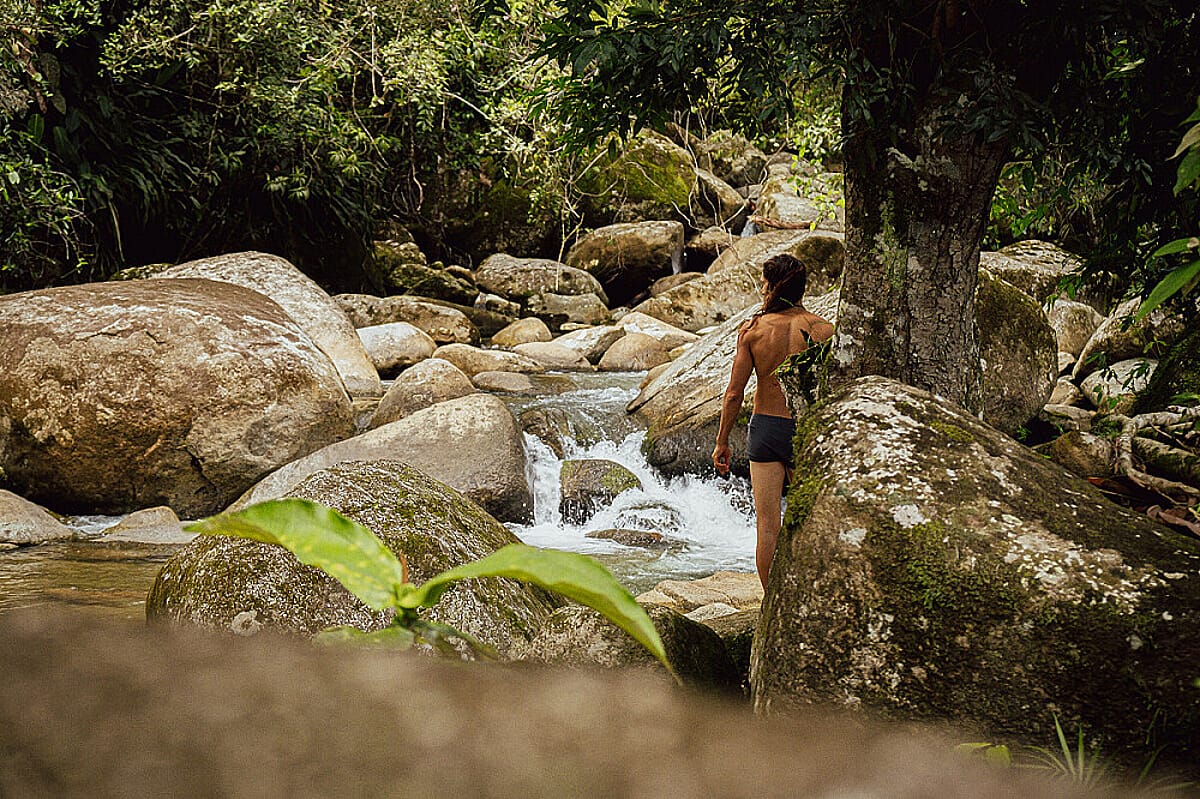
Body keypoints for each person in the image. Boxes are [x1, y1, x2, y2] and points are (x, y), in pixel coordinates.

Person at [711, 253, 833, 590]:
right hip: (805, 431)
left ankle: (772, 602)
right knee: (811, 519)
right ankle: (809, 594)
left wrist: (722, 441)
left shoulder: (753, 330)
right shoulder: (822, 330)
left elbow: (734, 393)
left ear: (770, 285)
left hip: (765, 429)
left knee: (768, 527)